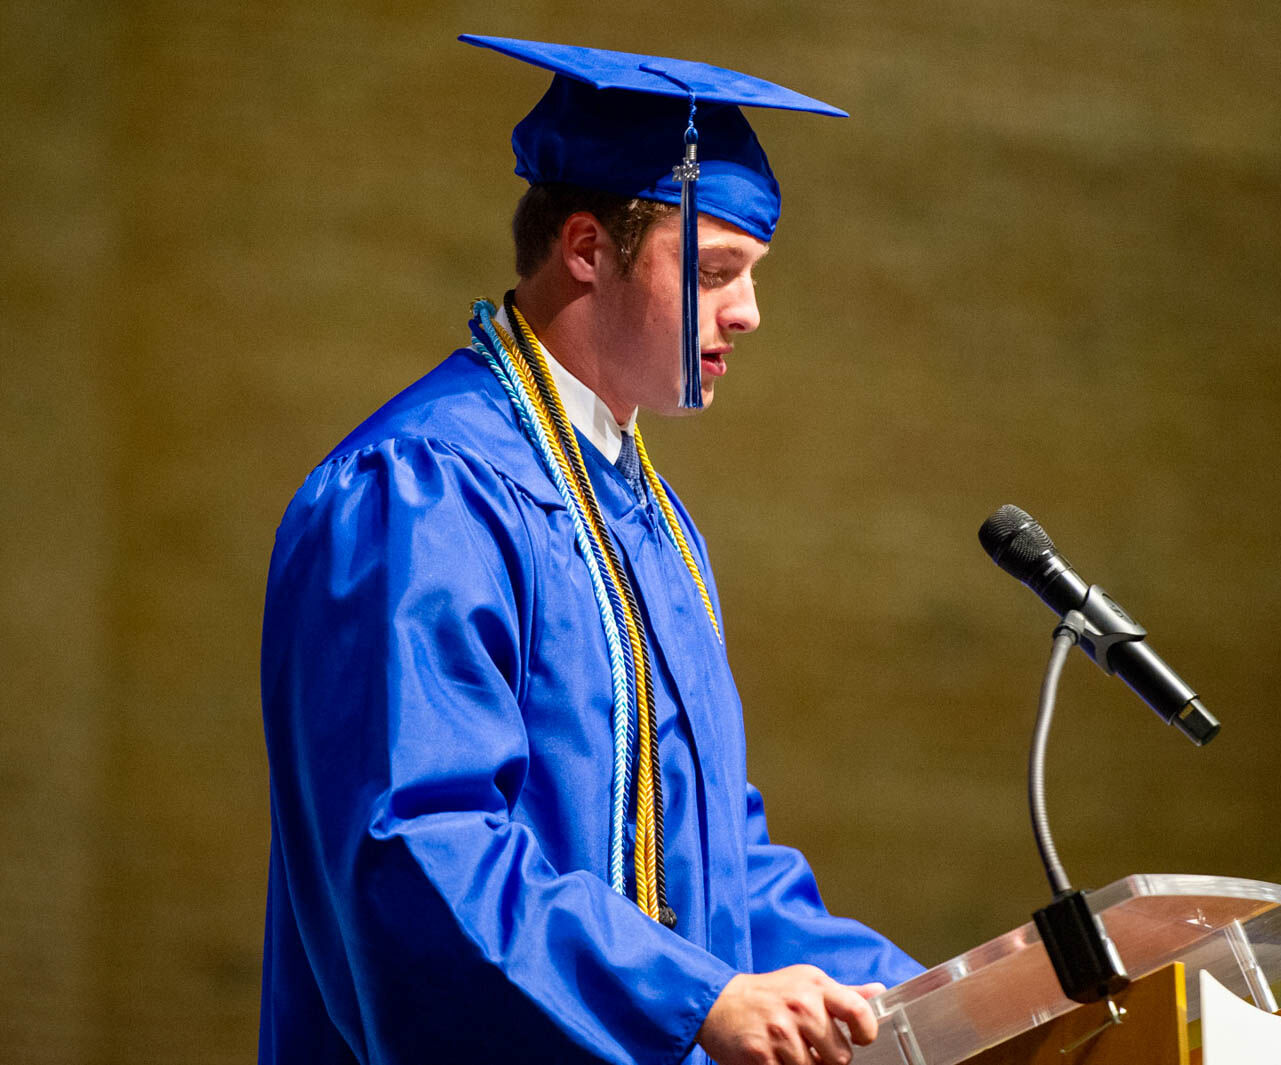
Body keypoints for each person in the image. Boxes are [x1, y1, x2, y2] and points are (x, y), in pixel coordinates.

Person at [259, 36, 923, 1065]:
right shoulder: (425, 489)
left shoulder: (644, 514)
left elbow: (719, 860)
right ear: (584, 247)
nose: (748, 312)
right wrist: (691, 1000)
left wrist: (918, 990)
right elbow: (418, 850)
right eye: (712, 271)